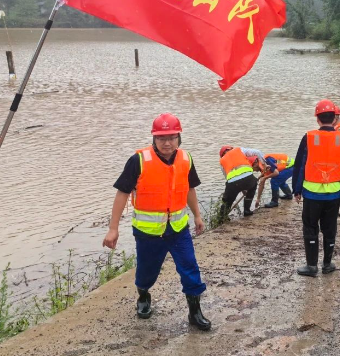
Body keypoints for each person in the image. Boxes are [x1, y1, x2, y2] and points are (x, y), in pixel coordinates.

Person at [102, 113, 211, 331]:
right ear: (154, 139)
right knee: (147, 271)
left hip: (178, 229)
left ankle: (195, 312)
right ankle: (143, 295)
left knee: (190, 267)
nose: (167, 143)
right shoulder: (138, 160)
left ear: (179, 137)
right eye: (162, 138)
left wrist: (197, 216)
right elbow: (122, 193)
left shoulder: (186, 159)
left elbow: (189, 189)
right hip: (148, 233)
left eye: (172, 137)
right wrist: (113, 229)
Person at [293, 99, 340, 277]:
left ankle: (311, 267)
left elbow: (300, 165)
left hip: (312, 195)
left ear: (318, 119)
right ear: (334, 118)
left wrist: (297, 190)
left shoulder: (309, 137)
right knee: (330, 229)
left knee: (310, 228)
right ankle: (327, 265)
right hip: (333, 195)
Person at [219, 145, 266, 218]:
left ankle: (221, 218)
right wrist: (264, 165)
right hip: (248, 179)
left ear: (222, 155)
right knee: (253, 185)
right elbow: (257, 152)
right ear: (231, 149)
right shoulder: (239, 150)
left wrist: (241, 190)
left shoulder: (222, 161)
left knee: (227, 201)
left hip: (232, 183)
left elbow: (227, 177)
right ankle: (247, 210)